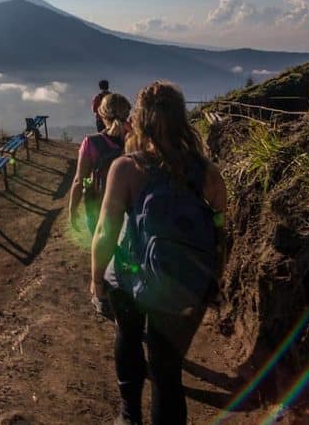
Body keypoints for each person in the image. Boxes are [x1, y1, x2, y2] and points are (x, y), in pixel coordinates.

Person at [90, 81, 227, 425]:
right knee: (168, 372)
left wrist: (96, 281)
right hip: (181, 285)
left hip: (128, 278)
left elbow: (106, 232)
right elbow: (221, 232)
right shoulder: (209, 174)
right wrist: (212, 279)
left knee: (128, 337)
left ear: (138, 121)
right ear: (182, 119)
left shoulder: (125, 168)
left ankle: (129, 415)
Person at [68, 93, 131, 233]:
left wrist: (72, 210)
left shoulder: (91, 142)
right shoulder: (138, 140)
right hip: (131, 210)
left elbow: (79, 180)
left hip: (99, 208)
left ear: (101, 114)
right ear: (127, 113)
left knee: (101, 250)